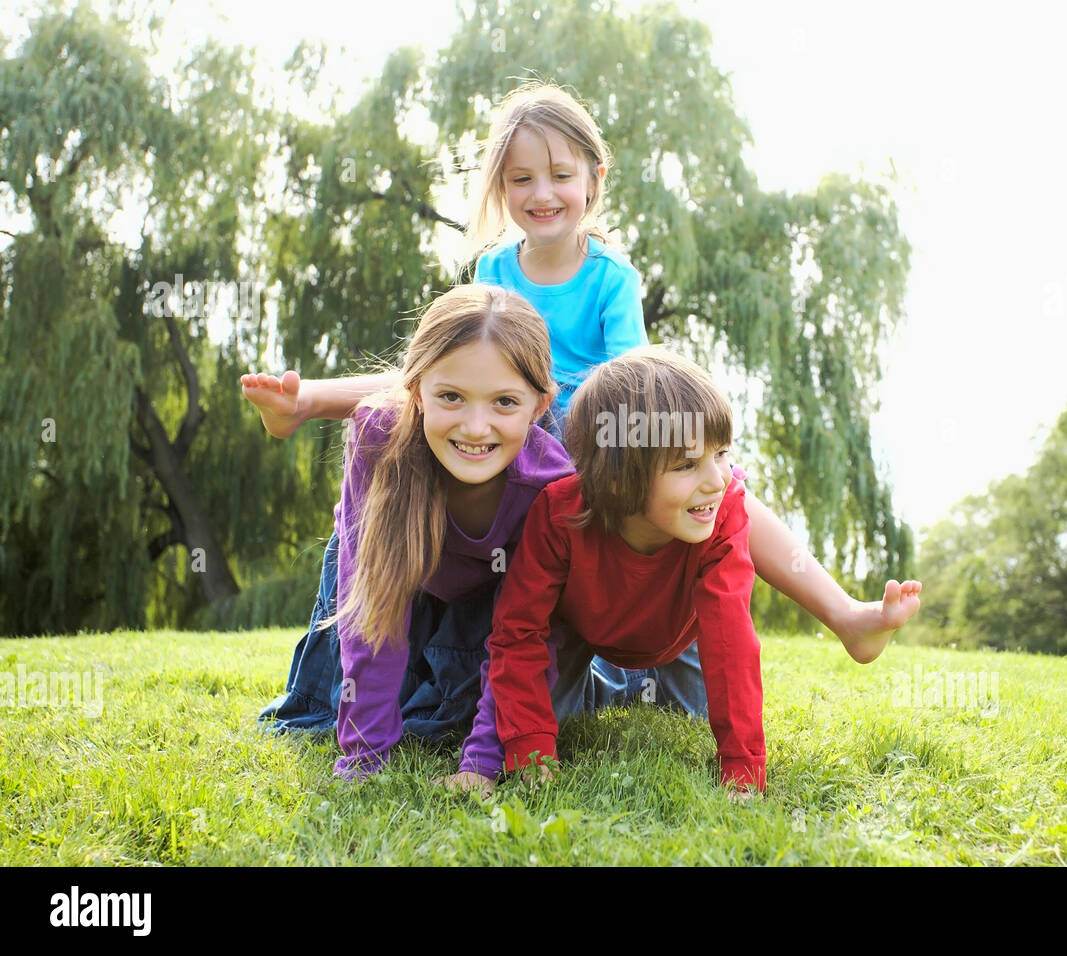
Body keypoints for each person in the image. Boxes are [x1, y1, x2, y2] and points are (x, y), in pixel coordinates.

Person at [242, 81, 919, 670]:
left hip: (594, 429)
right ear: (500, 188)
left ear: (594, 179)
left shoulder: (609, 276)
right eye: (520, 180)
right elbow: (465, 362)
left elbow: (639, 380)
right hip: (510, 412)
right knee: (425, 383)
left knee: (730, 490)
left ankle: (845, 615)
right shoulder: (493, 269)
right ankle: (305, 402)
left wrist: (658, 443)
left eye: (560, 175)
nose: (541, 194)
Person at [265, 283, 572, 783]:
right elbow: (371, 609)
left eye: (504, 402)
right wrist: (365, 755)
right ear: (416, 391)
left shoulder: (549, 488)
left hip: (482, 606)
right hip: (381, 579)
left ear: (539, 408)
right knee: (322, 714)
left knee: (438, 720)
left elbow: (523, 634)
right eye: (451, 397)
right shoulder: (378, 435)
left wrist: (482, 761)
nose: (476, 428)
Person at [488, 348, 764, 797]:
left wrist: (742, 766)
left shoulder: (725, 508)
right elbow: (518, 631)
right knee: (559, 716)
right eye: (687, 464)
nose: (717, 480)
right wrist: (531, 750)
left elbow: (731, 639)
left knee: (690, 715)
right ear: (617, 479)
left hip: (680, 639)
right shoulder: (558, 513)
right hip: (584, 633)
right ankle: (612, 681)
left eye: (721, 454)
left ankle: (636, 680)